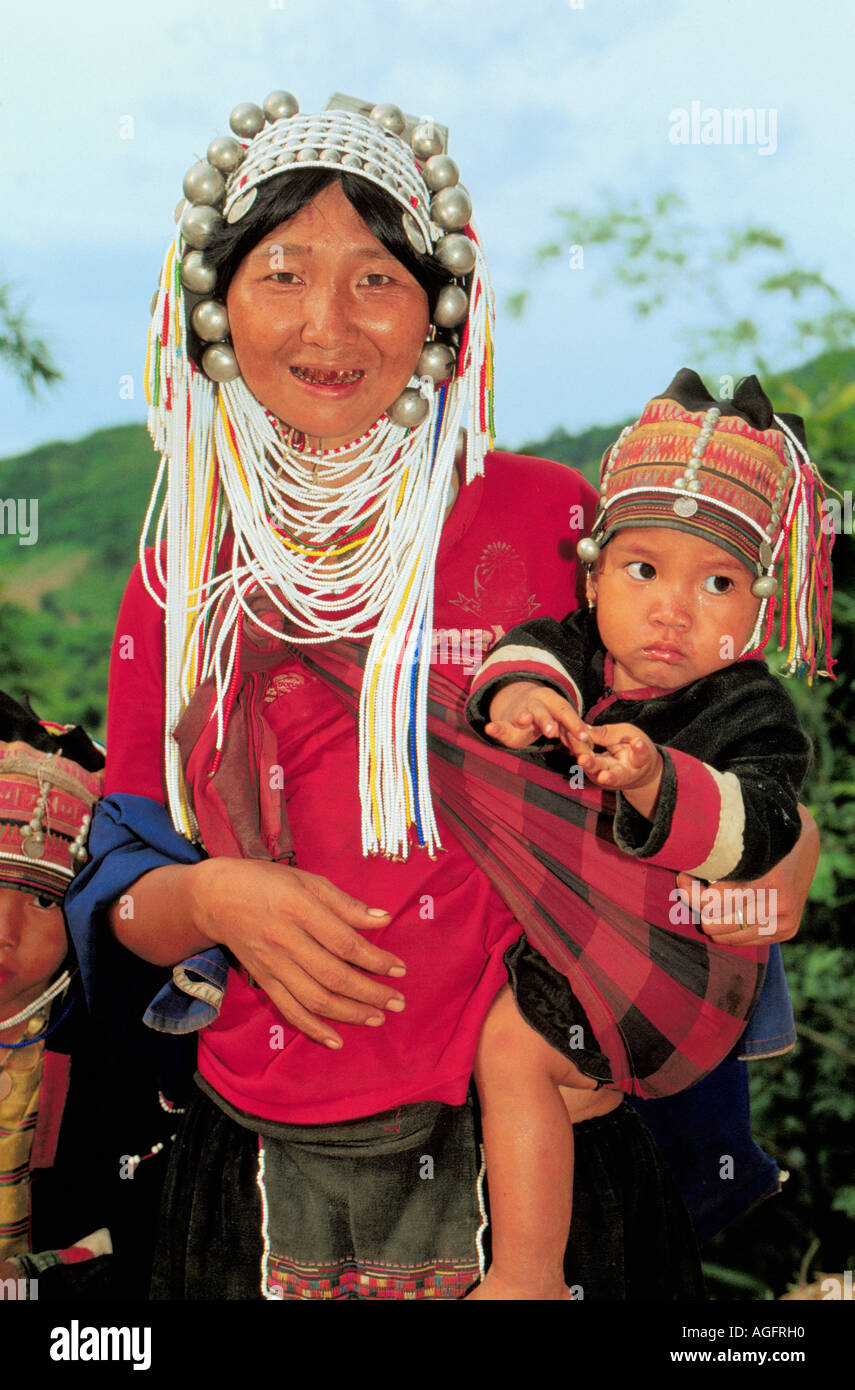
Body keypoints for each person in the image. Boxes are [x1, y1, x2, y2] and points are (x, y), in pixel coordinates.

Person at [64, 93, 819, 1301]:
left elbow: (749, 820)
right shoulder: (183, 563)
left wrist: (713, 946)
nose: (326, 324)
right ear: (215, 304)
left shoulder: (548, 518)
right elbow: (119, 887)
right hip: (256, 1157)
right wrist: (214, 895)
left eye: (374, 279)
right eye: (282, 272)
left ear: (438, 310)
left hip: (550, 1154)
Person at [462, 369, 833, 1299]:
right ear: (592, 576)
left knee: (512, 1055)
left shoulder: (748, 707)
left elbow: (764, 828)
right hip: (577, 958)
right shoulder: (579, 649)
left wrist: (660, 780)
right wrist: (521, 698)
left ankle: (526, 1276)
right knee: (545, 1075)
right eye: (642, 571)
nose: (673, 609)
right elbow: (526, 653)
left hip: (669, 965)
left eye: (718, 583)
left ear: (757, 609)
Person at [0, 691, 180, 1299]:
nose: (4, 935)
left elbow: (132, 1234)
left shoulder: (118, 1055)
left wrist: (31, 1280)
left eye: (43, 899)